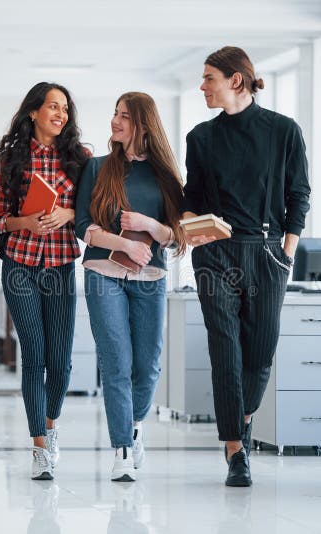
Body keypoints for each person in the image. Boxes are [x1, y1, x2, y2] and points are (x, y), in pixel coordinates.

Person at [183, 46, 311, 486]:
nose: (202, 86)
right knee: (224, 345)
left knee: (260, 349)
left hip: (267, 251)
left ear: (236, 80)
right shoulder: (200, 137)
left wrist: (287, 251)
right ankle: (236, 449)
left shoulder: (283, 131)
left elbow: (299, 195)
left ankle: (244, 419)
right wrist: (190, 224)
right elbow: (191, 198)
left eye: (208, 78)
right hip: (215, 252)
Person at [75, 92, 185, 482]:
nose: (115, 121)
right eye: (115, 114)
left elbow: (177, 234)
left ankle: (134, 425)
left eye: (124, 116)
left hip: (151, 277)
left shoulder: (165, 175)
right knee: (116, 363)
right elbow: (82, 226)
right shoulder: (97, 167)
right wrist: (124, 243)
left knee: (148, 364)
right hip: (104, 273)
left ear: (143, 124)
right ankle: (122, 447)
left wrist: (152, 227)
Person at [0, 82, 90, 480]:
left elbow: (89, 212)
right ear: (33, 111)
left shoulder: (81, 158)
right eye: (53, 106)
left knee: (61, 361)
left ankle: (50, 426)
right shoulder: (11, 157)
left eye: (65, 108)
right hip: (20, 265)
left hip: (62, 265)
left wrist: (67, 215)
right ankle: (37, 447)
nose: (60, 114)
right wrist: (24, 222)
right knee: (34, 355)